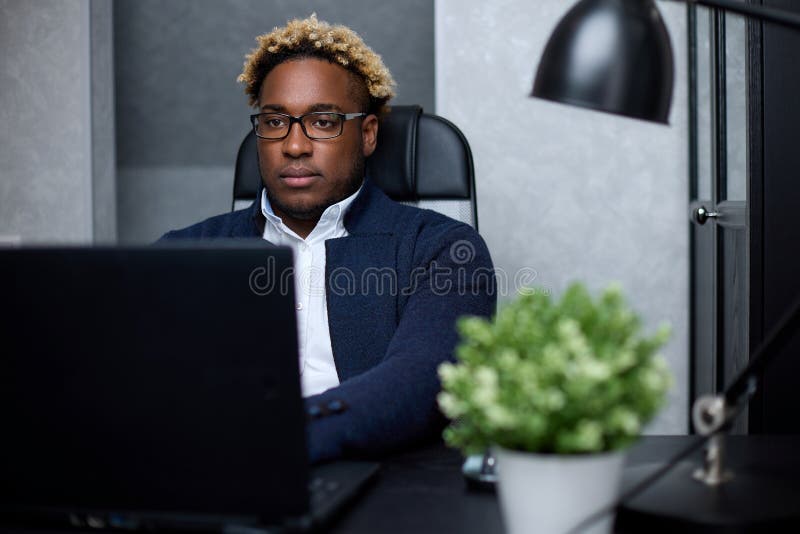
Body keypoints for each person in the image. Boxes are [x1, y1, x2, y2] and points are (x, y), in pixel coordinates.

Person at [160, 14, 496, 463]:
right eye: (276, 122)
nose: (294, 145)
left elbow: (421, 383)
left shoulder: (442, 250)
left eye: (322, 122)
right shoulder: (183, 254)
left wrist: (261, 439)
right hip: (211, 477)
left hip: (379, 487)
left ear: (368, 134)